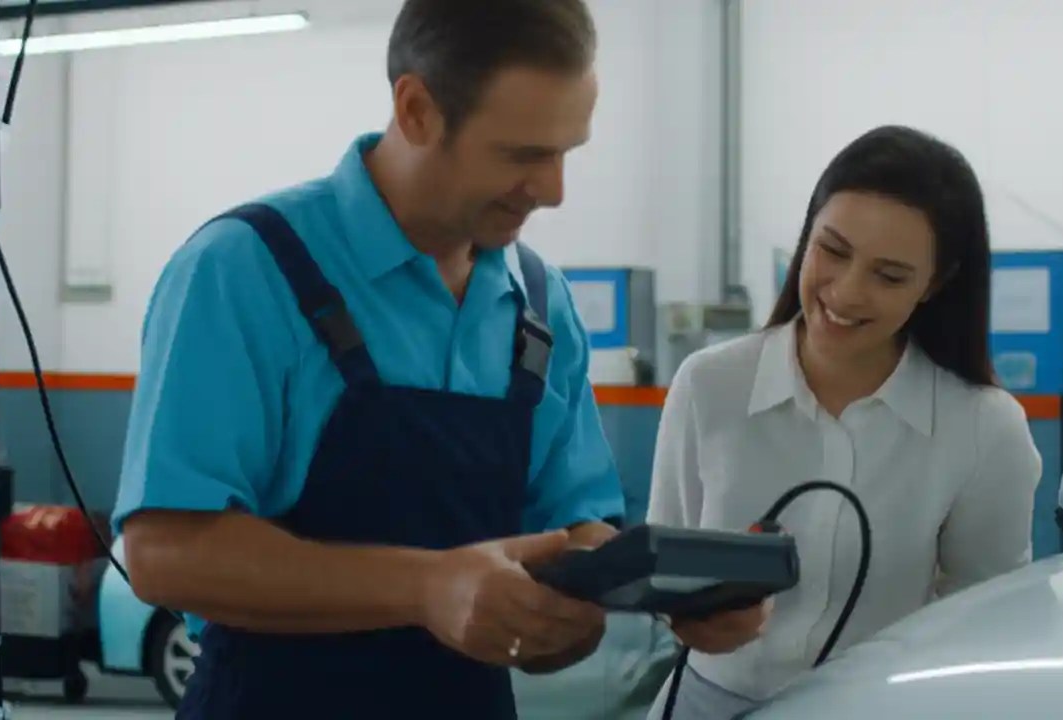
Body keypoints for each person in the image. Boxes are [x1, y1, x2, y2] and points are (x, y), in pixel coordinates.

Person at [106, 2, 725, 718]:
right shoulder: (244, 271)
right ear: (418, 110)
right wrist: (425, 588)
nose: (554, 191)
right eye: (521, 154)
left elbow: (575, 527)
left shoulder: (540, 304)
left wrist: (601, 601)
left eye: (566, 152)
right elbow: (165, 552)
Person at [643, 125, 1044, 719]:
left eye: (890, 275)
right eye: (832, 250)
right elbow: (662, 568)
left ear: (935, 283)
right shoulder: (709, 385)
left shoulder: (984, 427)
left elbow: (984, 619)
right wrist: (687, 614)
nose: (847, 292)